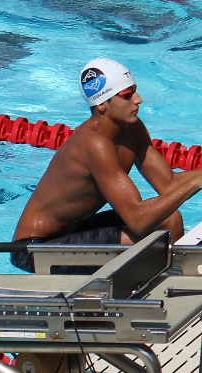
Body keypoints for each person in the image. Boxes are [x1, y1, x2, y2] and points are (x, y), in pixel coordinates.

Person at [11, 58, 202, 267]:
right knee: (158, 235)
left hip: (75, 230)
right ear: (102, 103)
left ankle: (173, 275)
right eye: (127, 96)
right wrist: (195, 182)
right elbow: (138, 221)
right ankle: (164, 284)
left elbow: (169, 184)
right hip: (36, 249)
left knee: (170, 220)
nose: (138, 100)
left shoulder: (133, 128)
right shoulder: (94, 144)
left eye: (135, 91)